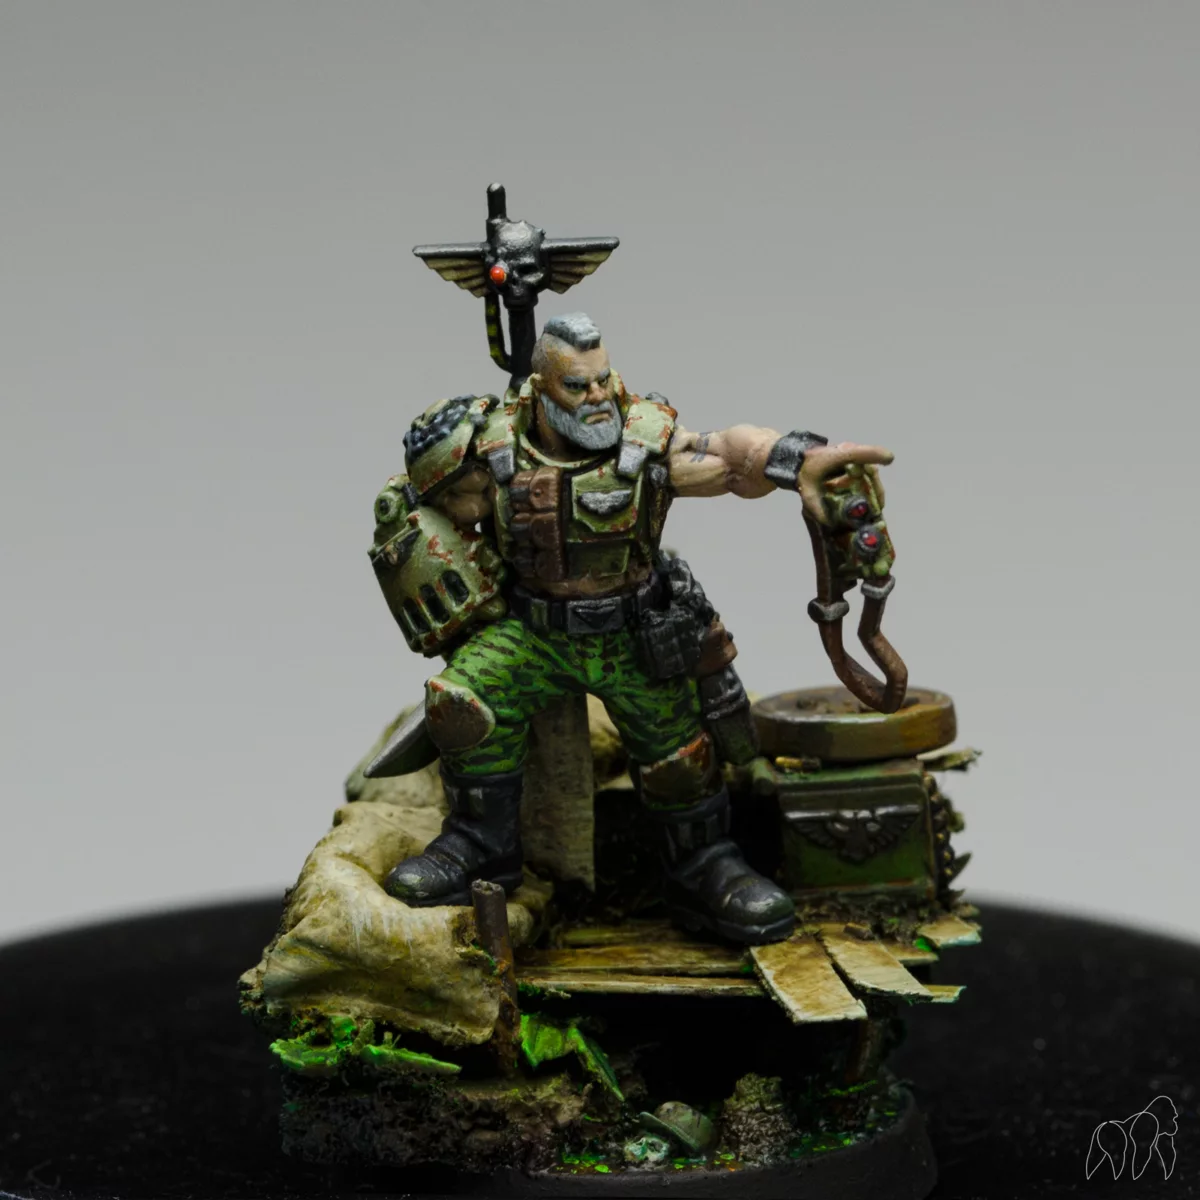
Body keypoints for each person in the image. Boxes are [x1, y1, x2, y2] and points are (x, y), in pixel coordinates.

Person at [382, 312, 892, 945]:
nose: (597, 396)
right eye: (577, 386)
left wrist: (797, 457)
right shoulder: (494, 448)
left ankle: (703, 867)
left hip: (631, 633)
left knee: (680, 753)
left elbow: (732, 459)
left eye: (603, 379)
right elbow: (427, 505)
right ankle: (480, 847)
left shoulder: (647, 442)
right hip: (532, 634)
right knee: (462, 702)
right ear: (540, 388)